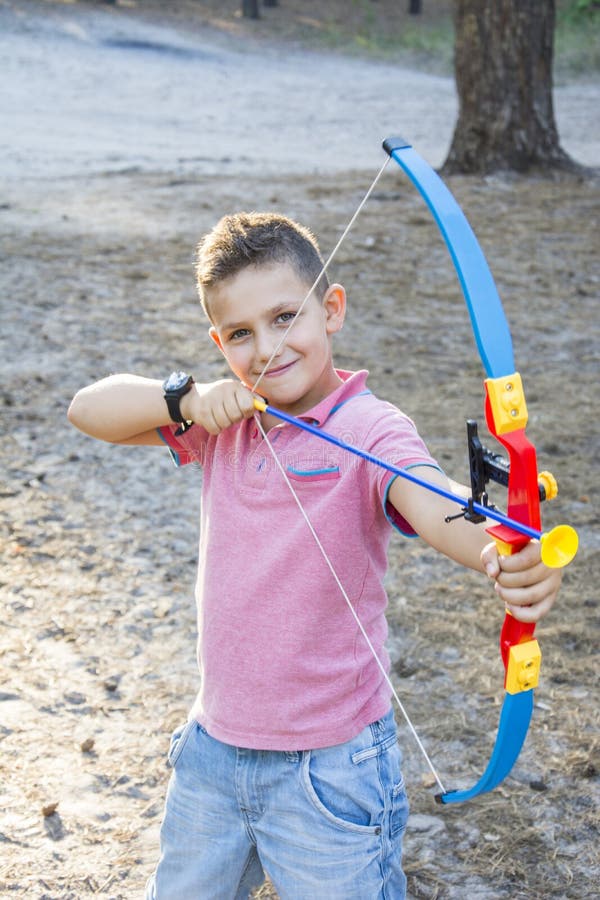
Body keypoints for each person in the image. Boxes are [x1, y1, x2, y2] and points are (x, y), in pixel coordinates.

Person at [68, 212, 561, 899]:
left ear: (331, 310)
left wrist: (501, 551)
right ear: (219, 343)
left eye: (283, 317)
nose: (266, 347)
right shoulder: (222, 422)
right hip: (214, 751)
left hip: (328, 771)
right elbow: (87, 411)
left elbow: (433, 498)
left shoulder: (371, 428)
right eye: (240, 334)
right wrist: (187, 397)